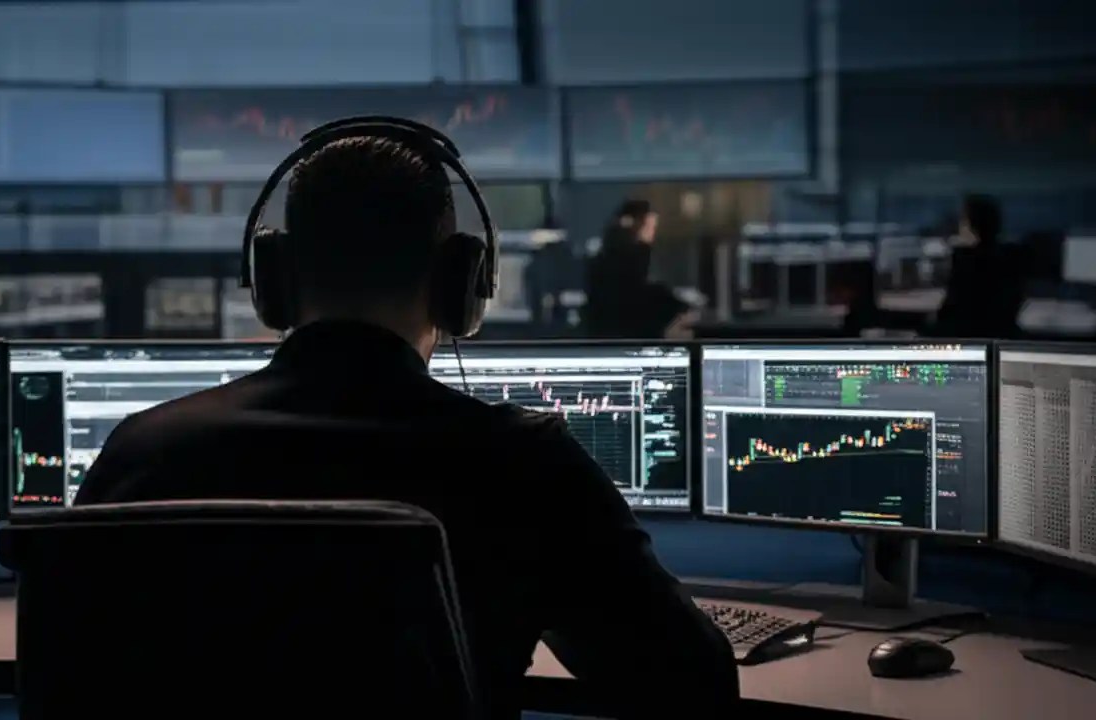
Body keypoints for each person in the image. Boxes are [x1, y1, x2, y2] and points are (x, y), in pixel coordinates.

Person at [75, 133, 737, 717]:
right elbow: (691, 686)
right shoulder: (522, 466)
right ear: (462, 283)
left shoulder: (145, 453)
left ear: (273, 279)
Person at [584, 200, 694, 339]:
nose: (653, 232)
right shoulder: (627, 257)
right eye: (650, 226)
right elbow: (633, 294)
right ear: (638, 225)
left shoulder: (613, 254)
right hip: (625, 335)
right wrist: (674, 305)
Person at [934, 194, 1025, 338]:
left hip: (969, 338)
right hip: (1003, 336)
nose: (959, 228)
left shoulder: (966, 261)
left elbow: (952, 310)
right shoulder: (1012, 258)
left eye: (962, 222)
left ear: (972, 226)